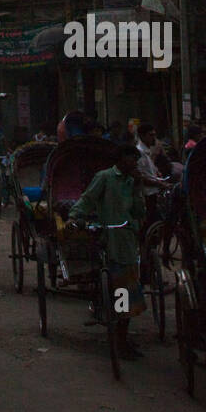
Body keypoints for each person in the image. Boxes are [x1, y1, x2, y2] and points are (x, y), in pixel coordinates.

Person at [66, 143, 147, 360]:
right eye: (131, 158)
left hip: (127, 240)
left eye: (136, 160)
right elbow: (87, 199)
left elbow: (139, 212)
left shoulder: (131, 182)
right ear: (120, 159)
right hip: (108, 239)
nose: (134, 163)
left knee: (128, 290)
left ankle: (122, 335)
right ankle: (119, 337)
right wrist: (74, 217)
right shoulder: (105, 177)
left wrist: (138, 189)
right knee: (120, 290)